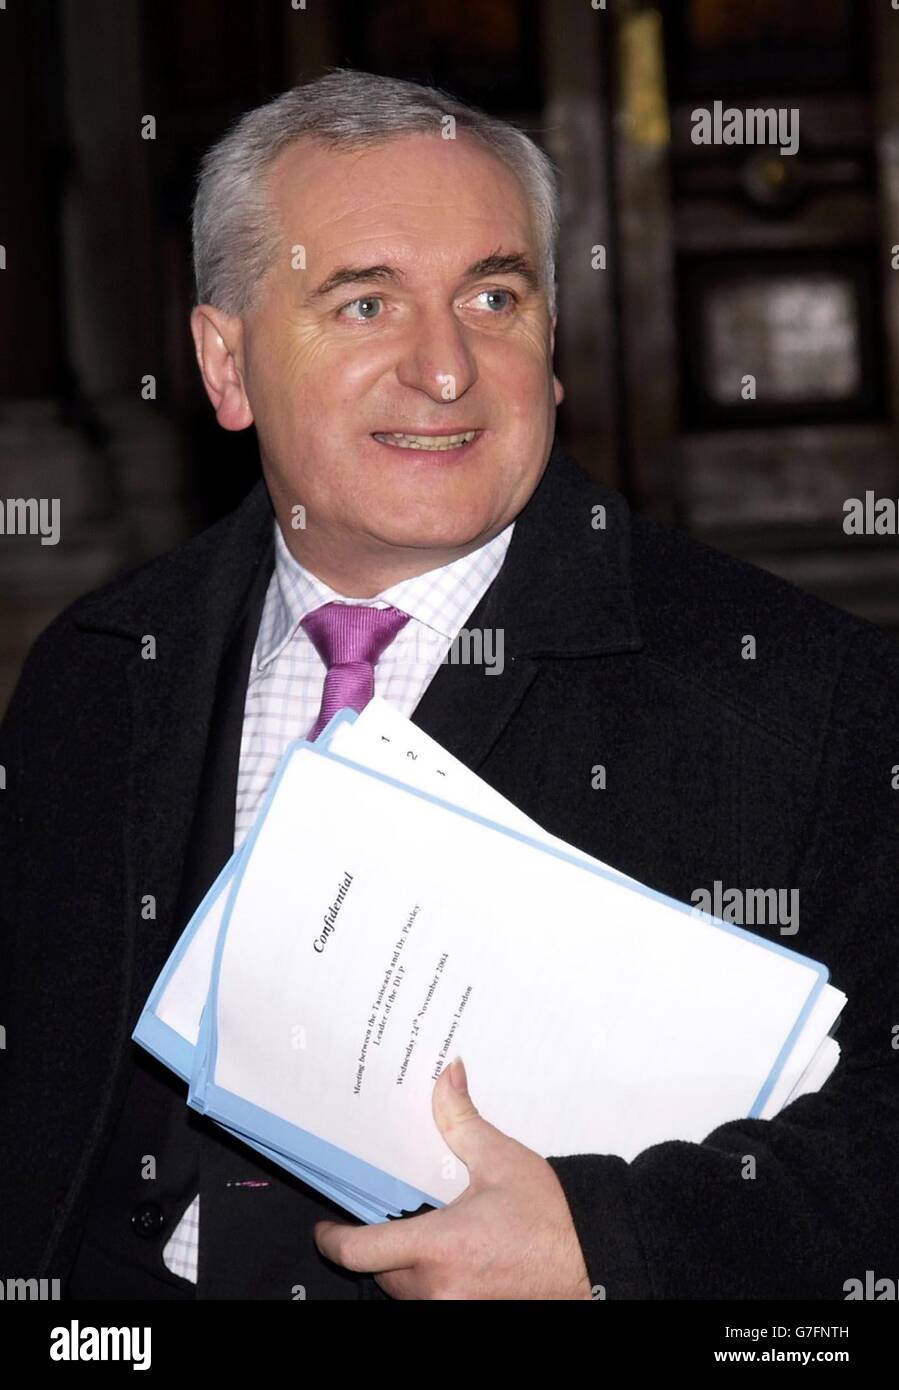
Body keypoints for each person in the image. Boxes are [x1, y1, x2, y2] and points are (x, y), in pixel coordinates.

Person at [2, 68, 897, 1302]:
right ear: (225, 365)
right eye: (364, 303)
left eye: (491, 296)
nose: (444, 369)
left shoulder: (805, 698)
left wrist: (611, 1240)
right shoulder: (93, 674)